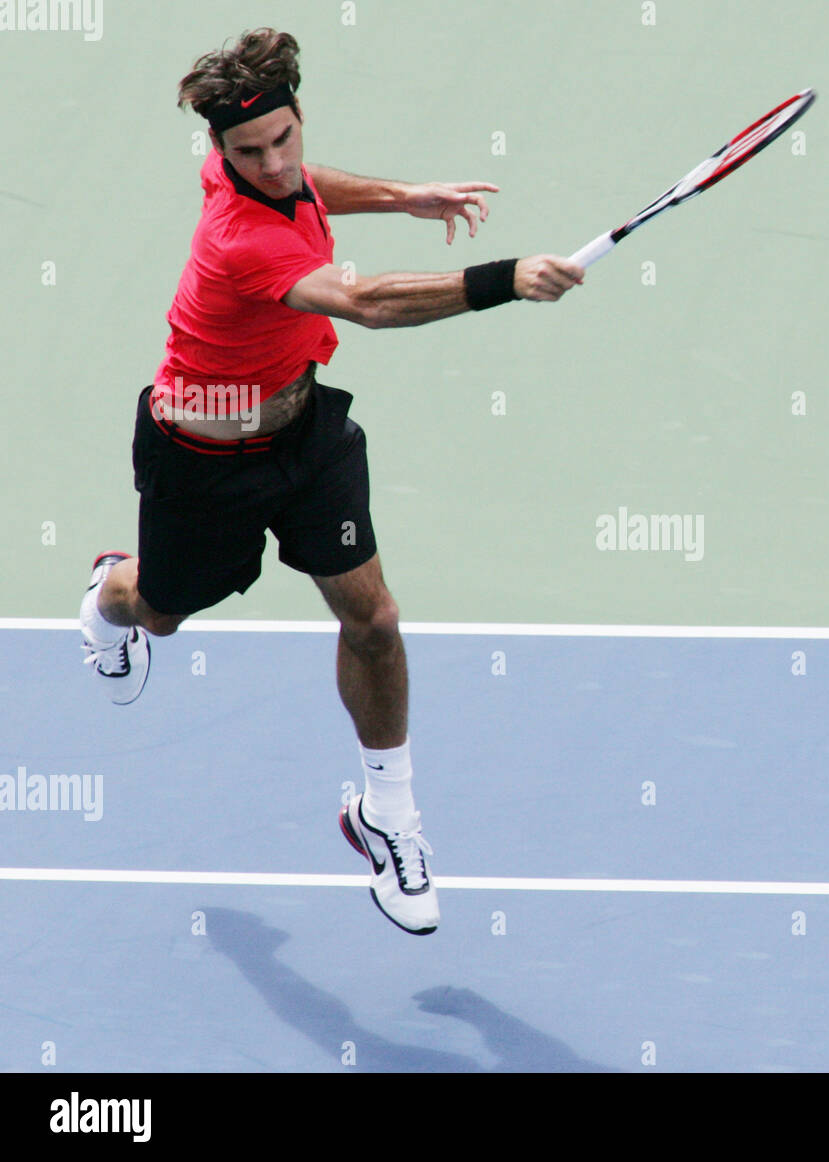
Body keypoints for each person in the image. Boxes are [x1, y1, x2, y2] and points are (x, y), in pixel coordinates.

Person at [78, 27, 584, 935]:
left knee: (374, 617)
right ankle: (105, 595)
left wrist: (404, 196)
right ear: (218, 155)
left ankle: (387, 814)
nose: (272, 165)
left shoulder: (261, 171)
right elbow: (366, 302)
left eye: (283, 139)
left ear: (297, 117)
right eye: (249, 153)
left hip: (305, 433)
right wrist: (505, 279)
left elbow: (309, 190)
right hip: (201, 458)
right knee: (158, 610)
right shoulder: (237, 237)